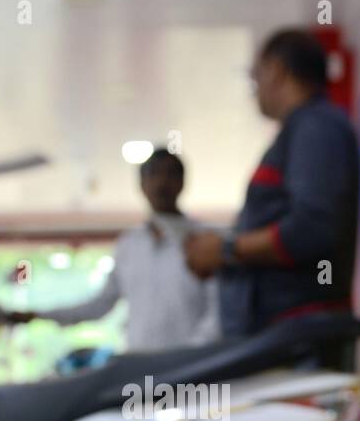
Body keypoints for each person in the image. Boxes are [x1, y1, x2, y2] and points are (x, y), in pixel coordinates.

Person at [183, 28, 360, 363]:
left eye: (257, 74)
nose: (255, 87)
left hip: (299, 337)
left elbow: (314, 227)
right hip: (285, 336)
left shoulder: (316, 126)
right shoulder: (302, 129)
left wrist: (225, 250)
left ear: (276, 69)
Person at [11, 149, 219, 350]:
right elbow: (100, 304)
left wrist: (193, 355)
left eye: (170, 174)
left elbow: (218, 310)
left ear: (182, 182)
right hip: (139, 369)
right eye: (154, 174)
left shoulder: (206, 241)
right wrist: (38, 316)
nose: (161, 183)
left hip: (192, 372)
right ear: (142, 184)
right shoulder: (129, 245)